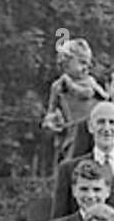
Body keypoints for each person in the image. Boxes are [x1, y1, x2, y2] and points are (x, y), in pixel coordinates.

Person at [43, 36, 106, 165]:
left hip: (94, 135)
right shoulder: (58, 87)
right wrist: (52, 122)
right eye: (82, 63)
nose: (86, 68)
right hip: (72, 136)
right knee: (70, 165)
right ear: (66, 64)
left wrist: (70, 84)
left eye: (88, 64)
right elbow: (51, 111)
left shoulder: (90, 82)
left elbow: (89, 94)